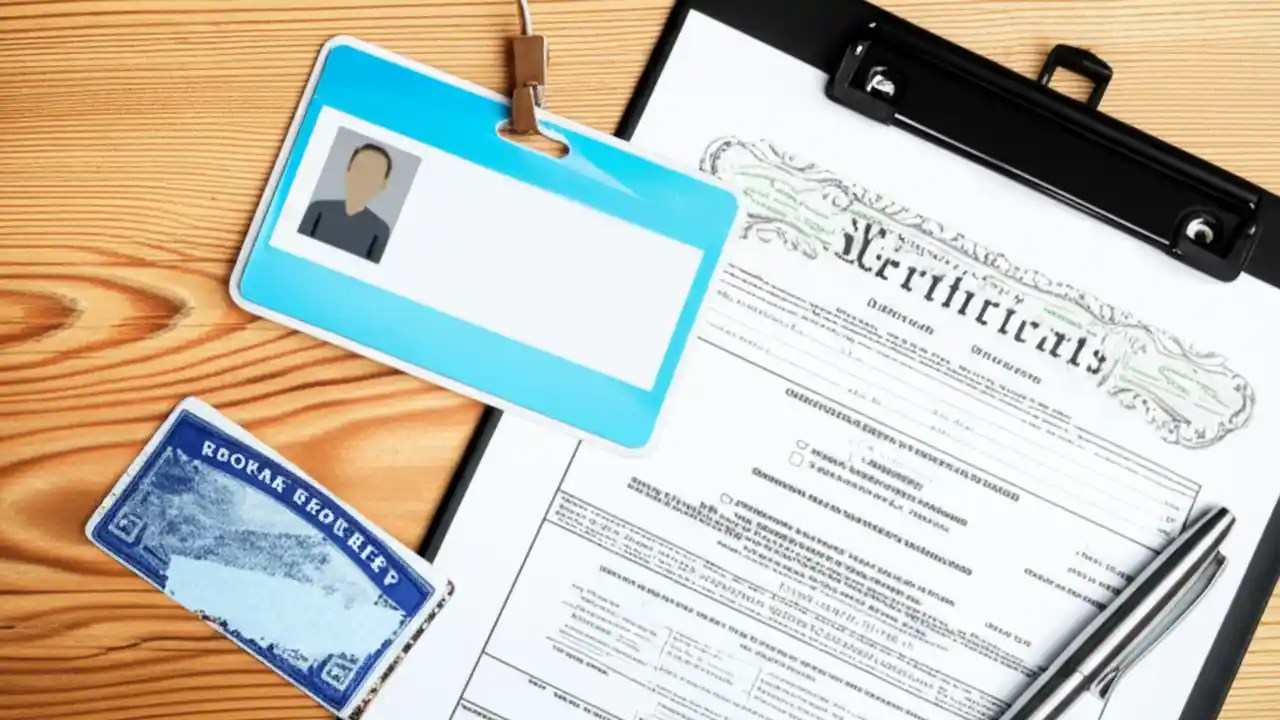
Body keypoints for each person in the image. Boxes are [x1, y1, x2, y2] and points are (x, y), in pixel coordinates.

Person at [299, 143, 394, 262]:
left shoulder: (380, 230)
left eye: (374, 174)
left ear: (383, 184)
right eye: (360, 169)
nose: (363, 179)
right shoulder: (318, 209)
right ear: (348, 171)